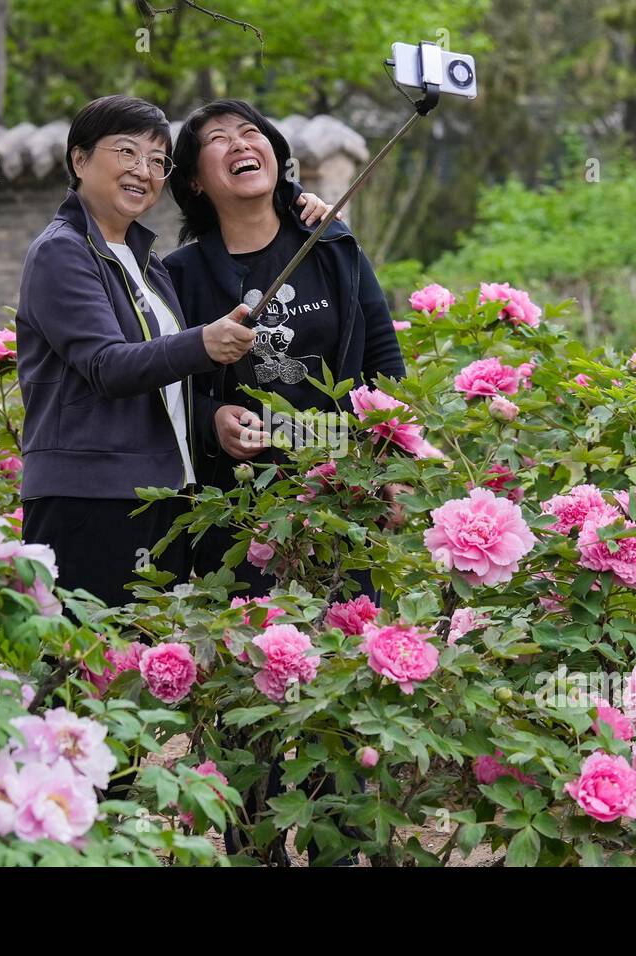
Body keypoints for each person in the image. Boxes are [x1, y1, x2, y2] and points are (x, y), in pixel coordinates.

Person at [165, 99, 406, 863]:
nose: (240, 145)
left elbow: (384, 365)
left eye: (252, 135)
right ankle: (252, 848)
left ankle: (341, 850)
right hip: (236, 517)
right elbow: (165, 384)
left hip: (336, 503)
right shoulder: (179, 274)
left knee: (338, 686)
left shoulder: (330, 246)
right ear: (197, 180)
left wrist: (386, 466)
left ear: (274, 155)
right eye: (216, 141)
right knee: (250, 692)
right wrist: (214, 424)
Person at [15, 94, 258, 608]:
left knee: (141, 669)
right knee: (83, 672)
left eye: (157, 161)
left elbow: (163, 388)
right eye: (126, 152)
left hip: (162, 495)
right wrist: (204, 343)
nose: (143, 171)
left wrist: (210, 417)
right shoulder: (62, 250)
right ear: (79, 159)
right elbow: (107, 366)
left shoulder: (147, 263)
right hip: (90, 499)